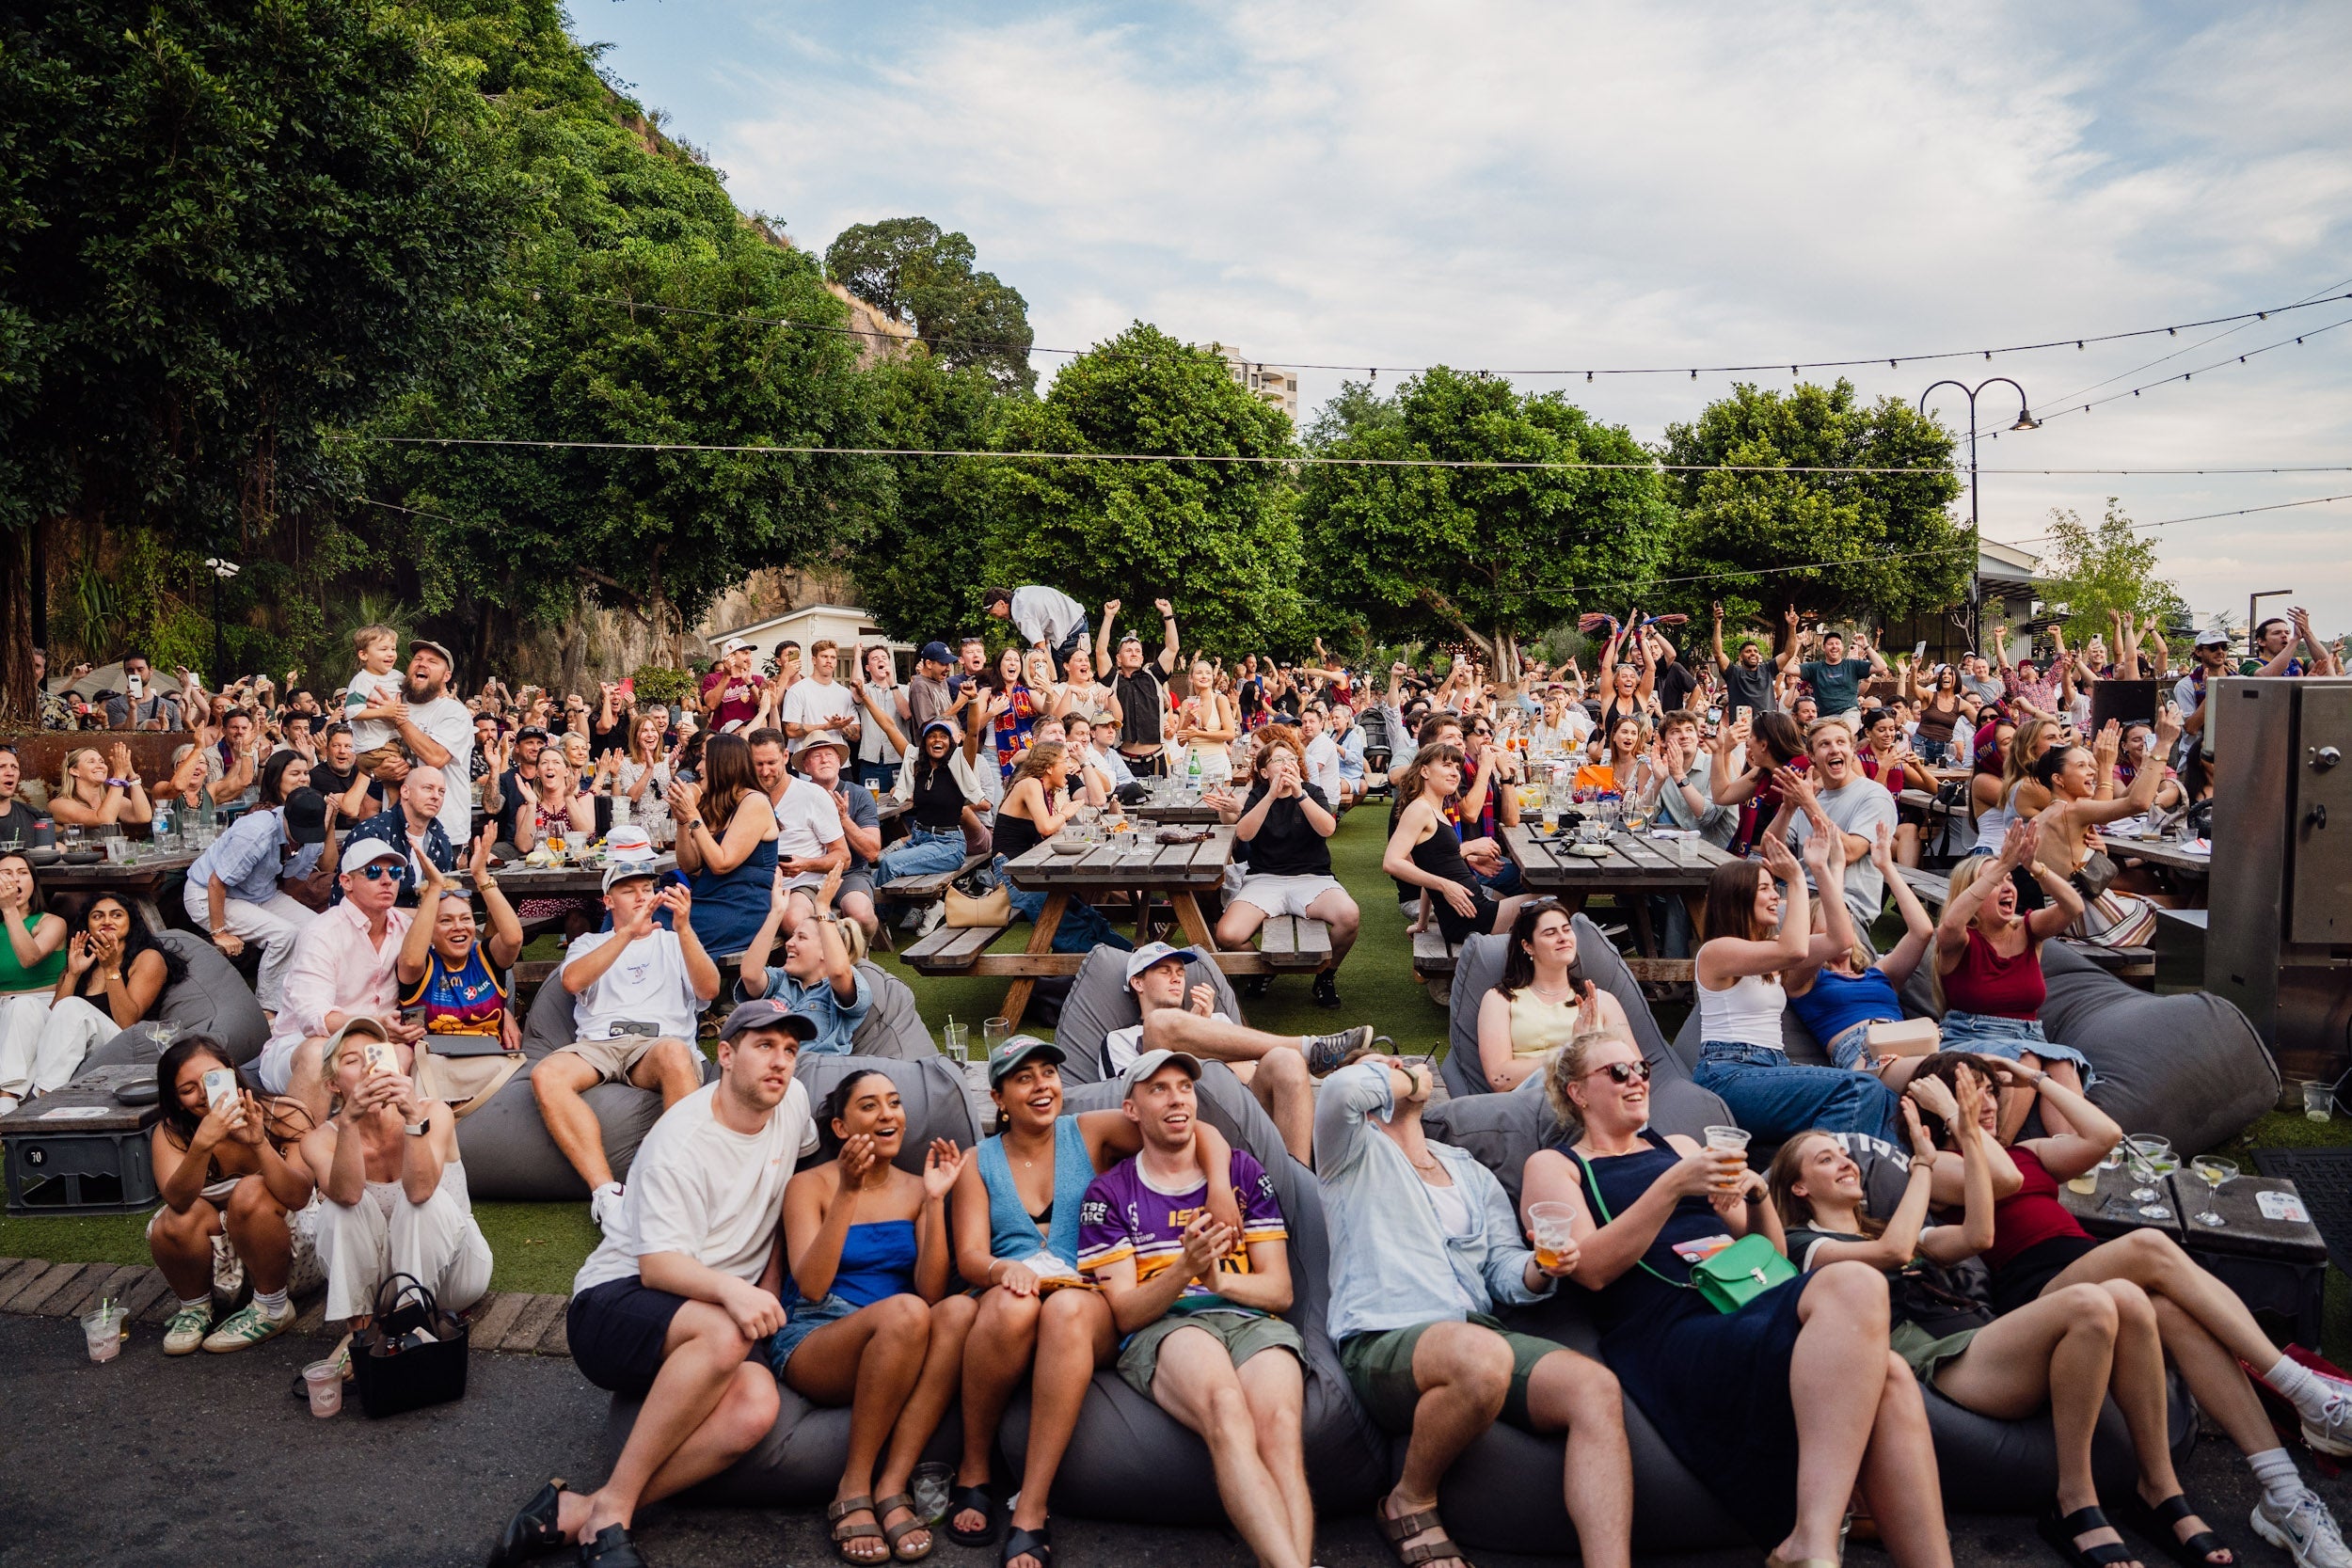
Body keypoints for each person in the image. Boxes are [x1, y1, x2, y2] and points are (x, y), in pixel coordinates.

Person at [1524, 1030, 1952, 1568]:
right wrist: (1671, 1187)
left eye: (1642, 1069)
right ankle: (1812, 1538)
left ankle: (1830, 1545)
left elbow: (1770, 1256)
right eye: (1617, 1072)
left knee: (1889, 1373)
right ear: (1578, 1093)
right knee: (1861, 1294)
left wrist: (1756, 1193)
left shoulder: (1680, 1148)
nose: (1637, 1080)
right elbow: (1589, 1271)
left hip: (1747, 1297)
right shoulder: (1558, 1165)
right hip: (1669, 1323)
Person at [1910, 1053, 2352, 1568]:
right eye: (1969, 1092)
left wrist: (2032, 1076)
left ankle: (2284, 1493)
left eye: (1989, 1091)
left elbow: (2106, 1136)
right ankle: (2306, 1393)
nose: (1985, 1104)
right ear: (1939, 1106)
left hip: (2091, 1267)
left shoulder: (2028, 1150)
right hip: (2041, 1295)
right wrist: (1956, 1118)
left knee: (2173, 1311)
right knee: (2148, 1244)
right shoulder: (1940, 1164)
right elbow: (2002, 1179)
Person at [1770, 1069, 2207, 1568]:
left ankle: (2161, 1490)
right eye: (1825, 1159)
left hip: (1981, 1337)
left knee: (2126, 1296)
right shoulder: (1805, 1245)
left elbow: (1978, 1235)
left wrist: (1969, 1137)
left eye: (1843, 1154)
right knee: (2089, 1303)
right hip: (1943, 1363)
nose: (1846, 1162)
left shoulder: (1888, 1227)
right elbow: (1894, 1252)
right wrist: (1922, 1164)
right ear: (1799, 1187)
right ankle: (2074, 1501)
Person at [491, 1001, 820, 1568]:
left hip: (709, 1308)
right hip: (615, 1302)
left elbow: (790, 1196)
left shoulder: (792, 1102)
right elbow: (658, 1267)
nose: (780, 1062)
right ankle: (614, 1517)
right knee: (723, 1334)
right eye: (765, 1046)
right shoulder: (681, 1141)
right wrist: (738, 1293)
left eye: (789, 1050)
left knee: (756, 1407)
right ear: (725, 1054)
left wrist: (767, 1283)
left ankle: (584, 1508)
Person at [1315, 1049, 1628, 1568]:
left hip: (1477, 1332)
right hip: (1384, 1334)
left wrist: (1540, 1267)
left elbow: (1501, 1267)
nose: (1396, 1068)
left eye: (1397, 1062)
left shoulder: (1469, 1170)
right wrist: (1410, 1078)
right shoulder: (1348, 1153)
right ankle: (1409, 1501)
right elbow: (1341, 1091)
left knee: (1594, 1388)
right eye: (1381, 1067)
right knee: (1482, 1359)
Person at [942, 1034, 1239, 1567]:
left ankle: (1031, 1507)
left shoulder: (1087, 1131)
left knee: (1063, 1308)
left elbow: (1198, 1130)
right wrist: (1004, 1269)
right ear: (999, 1098)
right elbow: (968, 1255)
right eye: (1024, 1078)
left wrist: (1219, 1186)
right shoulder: (976, 1161)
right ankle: (974, 1467)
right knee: (1013, 1304)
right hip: (1009, 1297)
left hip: (1084, 1301)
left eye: (1048, 1074)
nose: (1042, 1086)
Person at [1079, 1049, 1316, 1568]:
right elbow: (1125, 1314)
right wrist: (1185, 1269)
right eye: (1158, 1089)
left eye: (1184, 1087)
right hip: (1169, 1327)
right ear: (1132, 1109)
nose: (1176, 1099)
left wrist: (1220, 1281)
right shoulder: (1108, 1193)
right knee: (1227, 1409)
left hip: (1251, 1321)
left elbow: (1280, 1292)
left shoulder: (1242, 1173)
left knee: (1280, 1427)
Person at [777, 1069, 976, 1565]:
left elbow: (931, 1293)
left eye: (894, 1102)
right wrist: (848, 1191)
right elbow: (811, 1286)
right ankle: (853, 1485)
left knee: (958, 1309)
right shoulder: (808, 1186)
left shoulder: (918, 1188)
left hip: (902, 1337)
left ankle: (891, 1485)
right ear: (841, 1128)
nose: (888, 1114)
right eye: (869, 1106)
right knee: (907, 1312)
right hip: (820, 1336)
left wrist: (935, 1200)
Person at [532, 863, 720, 1228]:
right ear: (608, 901)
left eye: (647, 889)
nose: (640, 897)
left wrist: (684, 928)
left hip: (658, 1044)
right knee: (546, 1074)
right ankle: (606, 1193)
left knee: (675, 1054)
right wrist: (628, 934)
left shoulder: (674, 941)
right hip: (599, 1044)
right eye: (628, 890)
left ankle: (674, 1187)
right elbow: (572, 981)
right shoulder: (589, 943)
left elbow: (709, 989)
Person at [1692, 831, 1904, 1145]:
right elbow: (1795, 950)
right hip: (1729, 1072)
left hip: (1772, 1067)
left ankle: (1892, 1170)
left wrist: (1819, 869)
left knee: (1887, 1099)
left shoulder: (1770, 951)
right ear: (1737, 897)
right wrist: (1795, 879)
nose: (1774, 896)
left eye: (1774, 887)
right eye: (1765, 888)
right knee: (1860, 1087)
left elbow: (1841, 939)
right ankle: (1816, 1167)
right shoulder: (1716, 952)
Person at [295, 1015, 492, 1332]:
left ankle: (410, 1327)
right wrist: (349, 1122)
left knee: (421, 1206)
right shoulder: (319, 1140)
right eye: (352, 1061)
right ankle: (360, 1333)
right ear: (333, 1084)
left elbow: (420, 1191)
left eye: (376, 1054)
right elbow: (348, 1194)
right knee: (336, 1209)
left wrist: (412, 1117)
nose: (368, 1067)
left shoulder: (433, 1112)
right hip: (383, 1283)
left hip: (454, 1274)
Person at [1099, 941, 1368, 1166]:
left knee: (1286, 1059)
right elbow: (1128, 1096)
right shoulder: (1119, 1039)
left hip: (1247, 1109)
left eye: (1180, 971)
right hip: (1186, 1120)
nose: (1177, 978)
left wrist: (1204, 1029)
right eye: (1164, 971)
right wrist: (1189, 1042)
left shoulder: (1218, 1019)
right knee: (1160, 1023)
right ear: (1138, 983)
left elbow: (1251, 1074)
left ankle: (1297, 1181)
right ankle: (1310, 1048)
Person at [146, 1036, 323, 1354]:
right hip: (221, 1270)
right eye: (188, 1089)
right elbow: (178, 1201)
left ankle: (272, 1308)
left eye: (212, 1079)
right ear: (177, 1100)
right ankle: (196, 1309)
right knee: (174, 1219)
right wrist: (202, 1145)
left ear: (232, 1072)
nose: (204, 1094)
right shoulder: (172, 1132)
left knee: (251, 1190)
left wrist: (259, 1144)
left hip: (290, 1258)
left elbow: (298, 1196)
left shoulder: (284, 1112)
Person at [1932, 821, 2095, 1141]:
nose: (2007, 886)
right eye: (1996, 882)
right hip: (1969, 1036)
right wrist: (2002, 865)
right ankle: (2000, 1149)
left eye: (2010, 879)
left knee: (2062, 1063)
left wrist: (2033, 866)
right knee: (2027, 1059)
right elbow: (1949, 923)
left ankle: (2076, 1152)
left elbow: (2074, 907)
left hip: (2031, 1036)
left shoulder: (2028, 929)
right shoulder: (1960, 941)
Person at [261, 838, 422, 1120]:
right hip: (300, 1045)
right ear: (347, 882)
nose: (387, 881)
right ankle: (301, 1143)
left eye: (395, 873)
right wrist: (375, 1025)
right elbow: (314, 1019)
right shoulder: (322, 933)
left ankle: (389, 1141)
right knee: (319, 1052)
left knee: (405, 1054)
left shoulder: (404, 927)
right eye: (373, 872)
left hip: (375, 1045)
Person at [2016, 710, 2188, 948]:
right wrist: (2164, 744)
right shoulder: (2072, 810)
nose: (2091, 771)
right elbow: (2138, 803)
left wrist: (2097, 853)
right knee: (2189, 905)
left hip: (2068, 918)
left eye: (2090, 765)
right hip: (2094, 919)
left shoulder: (2048, 815)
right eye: (2081, 766)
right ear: (2058, 779)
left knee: (2156, 895)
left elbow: (2120, 803)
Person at [1216, 725, 1359, 1009]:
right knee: (1227, 935)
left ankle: (1325, 974)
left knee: (1349, 916)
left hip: (1312, 878)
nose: (1287, 764)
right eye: (1278, 760)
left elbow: (1327, 829)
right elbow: (1244, 834)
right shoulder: (1258, 795)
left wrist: (1299, 795)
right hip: (1264, 879)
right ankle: (1262, 971)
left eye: (1291, 758)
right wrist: (1270, 796)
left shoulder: (1312, 792)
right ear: (1265, 771)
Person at [3, 892, 187, 1101]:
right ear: (88, 925)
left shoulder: (147, 958)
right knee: (23, 1005)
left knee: (72, 1006)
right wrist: (73, 974)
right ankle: (6, 1101)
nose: (107, 921)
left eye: (116, 915)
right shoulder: (82, 958)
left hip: (121, 1043)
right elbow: (54, 1022)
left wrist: (110, 969)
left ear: (131, 922)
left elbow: (127, 1023)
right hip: (76, 1045)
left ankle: (46, 1097)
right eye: (97, 916)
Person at [183, 768, 331, 1015]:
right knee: (285, 935)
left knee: (319, 930)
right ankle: (268, 1010)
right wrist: (219, 932)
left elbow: (293, 880)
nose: (303, 839)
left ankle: (305, 1000)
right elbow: (216, 882)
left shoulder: (314, 836)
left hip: (260, 893)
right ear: (284, 815)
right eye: (298, 831)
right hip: (208, 894)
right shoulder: (256, 831)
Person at [1473, 898, 1636, 1093]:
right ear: (1528, 946)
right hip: (1532, 1100)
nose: (1563, 938)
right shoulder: (1500, 999)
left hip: (1598, 1096)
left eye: (1567, 930)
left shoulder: (1601, 1001)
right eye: (1550, 933)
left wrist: (1596, 1047)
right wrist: (1572, 1049)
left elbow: (1635, 1070)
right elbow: (1499, 1078)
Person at [991, 743, 1128, 955]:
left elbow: (1093, 802)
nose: (1070, 765)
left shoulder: (1046, 791)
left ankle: (1134, 956)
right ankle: (1104, 961)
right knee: (1065, 923)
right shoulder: (1030, 784)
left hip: (1027, 868)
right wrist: (1066, 813)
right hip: (1010, 872)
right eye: (1065, 760)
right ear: (1048, 767)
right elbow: (1046, 827)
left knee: (1087, 915)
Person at [397, 834, 526, 1058]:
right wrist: (435, 887)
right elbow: (410, 961)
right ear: (430, 931)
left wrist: (481, 876)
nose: (458, 927)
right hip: (436, 1064)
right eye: (446, 921)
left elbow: (513, 938)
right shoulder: (422, 964)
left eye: (465, 918)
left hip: (490, 1062)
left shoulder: (485, 956)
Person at [1385, 743, 1526, 944]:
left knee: (1547, 907)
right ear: (1425, 771)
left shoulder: (1435, 810)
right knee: (1554, 903)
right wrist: (1445, 886)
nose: (1454, 773)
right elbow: (1391, 862)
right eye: (1446, 765)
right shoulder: (1419, 809)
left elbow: (1432, 868)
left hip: (1470, 910)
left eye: (1457, 768)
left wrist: (1422, 923)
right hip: (1472, 917)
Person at [668, 731, 783, 958]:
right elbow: (689, 865)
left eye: (704, 759)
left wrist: (693, 815)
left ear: (723, 765)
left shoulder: (755, 802)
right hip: (707, 900)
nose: (698, 768)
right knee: (635, 910)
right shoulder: (719, 804)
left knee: (650, 923)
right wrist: (682, 821)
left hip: (739, 909)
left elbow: (721, 864)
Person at [739, 864, 872, 1058]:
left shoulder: (843, 989)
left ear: (825, 951)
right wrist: (776, 913)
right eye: (793, 936)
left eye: (801, 937)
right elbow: (750, 976)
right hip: (771, 1067)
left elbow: (838, 972)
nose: (789, 943)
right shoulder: (781, 979)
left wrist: (823, 908)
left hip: (816, 1069)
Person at [1784, 721, 1899, 930]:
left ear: (1852, 751)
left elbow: (1849, 852)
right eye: (1825, 744)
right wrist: (1787, 808)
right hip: (1801, 894)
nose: (1834, 749)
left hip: (1848, 905)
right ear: (1811, 756)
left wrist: (1808, 804)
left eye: (1840, 742)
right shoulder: (1812, 795)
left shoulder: (1874, 795)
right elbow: (1770, 851)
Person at [380, 641, 477, 849]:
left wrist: (398, 719)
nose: (422, 664)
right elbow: (363, 755)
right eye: (418, 659)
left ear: (446, 676)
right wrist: (378, 772)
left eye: (432, 662)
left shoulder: (454, 712)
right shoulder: (389, 704)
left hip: (444, 832)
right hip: (394, 829)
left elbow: (436, 757)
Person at [879, 721, 991, 892]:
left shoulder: (959, 767)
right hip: (919, 838)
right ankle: (897, 907)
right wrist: (866, 702)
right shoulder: (919, 766)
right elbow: (889, 727)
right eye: (931, 736)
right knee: (876, 870)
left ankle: (886, 909)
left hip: (948, 845)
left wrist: (973, 704)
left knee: (889, 864)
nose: (937, 740)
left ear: (951, 743)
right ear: (924, 743)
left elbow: (973, 732)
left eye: (943, 736)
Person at [0, 851, 71, 1117]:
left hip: (40, 1008)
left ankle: (6, 1102)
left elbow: (29, 958)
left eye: (22, 873)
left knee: (22, 1006)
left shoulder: (50, 923)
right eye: (6, 873)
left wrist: (9, 910)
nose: (14, 880)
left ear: (33, 882)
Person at [793, 734, 882, 941]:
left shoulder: (860, 794)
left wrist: (843, 818)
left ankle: (862, 953)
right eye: (816, 756)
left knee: (862, 914)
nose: (824, 760)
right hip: (807, 876)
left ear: (839, 762)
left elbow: (872, 852)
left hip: (850, 874)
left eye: (829, 755)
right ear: (806, 766)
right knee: (794, 919)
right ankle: (818, 958)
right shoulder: (797, 796)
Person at [334, 763, 456, 908]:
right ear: (405, 791)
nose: (436, 796)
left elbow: (447, 894)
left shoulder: (440, 836)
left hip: (427, 917)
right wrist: (423, 916)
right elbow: (352, 904)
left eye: (441, 792)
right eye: (428, 788)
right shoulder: (371, 834)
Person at [340, 624, 409, 780]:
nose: (390, 654)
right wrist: (384, 712)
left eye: (393, 649)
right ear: (364, 655)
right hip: (373, 747)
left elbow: (414, 691)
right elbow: (352, 711)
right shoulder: (362, 680)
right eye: (383, 649)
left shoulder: (398, 676)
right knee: (400, 775)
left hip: (393, 742)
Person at [48, 740, 158, 830]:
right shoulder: (59, 805)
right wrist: (119, 776)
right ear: (74, 771)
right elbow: (104, 820)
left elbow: (143, 817)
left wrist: (131, 773)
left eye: (101, 761)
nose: (100, 766)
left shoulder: (109, 799)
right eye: (91, 762)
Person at [779, 638, 862, 752]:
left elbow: (856, 735)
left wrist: (841, 726)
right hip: (807, 758)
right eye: (824, 656)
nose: (829, 661)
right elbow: (790, 730)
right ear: (814, 660)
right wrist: (827, 726)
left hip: (839, 759)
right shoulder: (797, 690)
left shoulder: (845, 693)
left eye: (833, 657)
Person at [850, 643, 911, 794]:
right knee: (872, 804)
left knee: (904, 804)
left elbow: (906, 714)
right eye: (875, 658)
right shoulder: (865, 690)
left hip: (900, 761)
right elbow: (856, 686)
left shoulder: (904, 689)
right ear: (867, 668)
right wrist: (857, 656)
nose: (880, 660)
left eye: (884, 658)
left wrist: (892, 684)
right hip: (872, 763)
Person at [984, 583, 1089, 669]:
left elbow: (1040, 647)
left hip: (1071, 632)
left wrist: (1052, 679)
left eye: (994, 614)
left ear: (1002, 603)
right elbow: (1043, 637)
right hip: (1078, 621)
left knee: (1065, 671)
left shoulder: (1022, 613)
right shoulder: (1021, 594)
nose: (996, 618)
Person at [1174, 657, 1238, 784]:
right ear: (1191, 678)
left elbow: (1230, 734)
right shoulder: (1186, 703)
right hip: (1192, 761)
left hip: (1217, 760)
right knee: (1192, 796)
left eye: (1208, 673)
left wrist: (1198, 733)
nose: (1204, 676)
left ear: (1212, 678)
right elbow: (1181, 742)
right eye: (1199, 673)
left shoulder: (1220, 700)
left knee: (1219, 797)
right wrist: (1187, 720)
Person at [1711, 602, 1779, 719]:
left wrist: (1792, 627)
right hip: (1742, 728)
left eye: (1756, 651)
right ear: (1740, 657)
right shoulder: (1733, 673)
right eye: (1748, 651)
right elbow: (1718, 654)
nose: (1753, 653)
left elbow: (1788, 654)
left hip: (1768, 727)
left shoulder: (1768, 669)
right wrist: (1718, 622)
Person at [699, 638, 769, 733]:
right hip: (722, 736)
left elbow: (764, 705)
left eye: (749, 653)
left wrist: (749, 682)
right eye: (745, 653)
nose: (749, 658)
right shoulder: (712, 678)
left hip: (750, 735)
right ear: (730, 656)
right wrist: (727, 676)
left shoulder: (757, 679)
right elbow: (711, 705)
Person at [103, 651, 184, 731]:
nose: (135, 674)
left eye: (140, 669)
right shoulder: (115, 704)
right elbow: (123, 735)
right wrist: (132, 709)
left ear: (151, 670)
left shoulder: (169, 706)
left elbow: (178, 736)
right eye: (130, 670)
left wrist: (164, 728)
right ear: (125, 673)